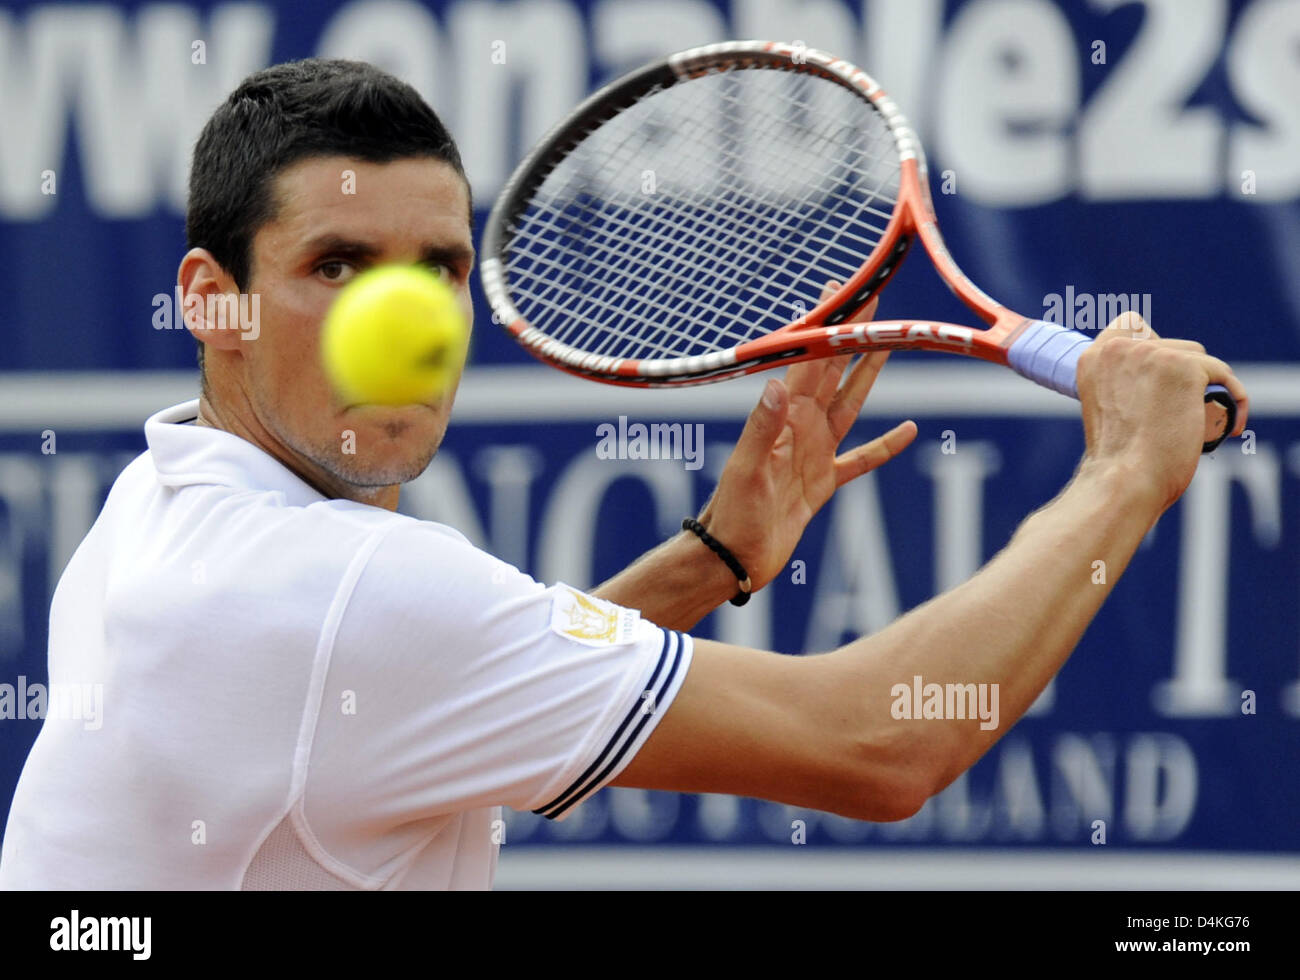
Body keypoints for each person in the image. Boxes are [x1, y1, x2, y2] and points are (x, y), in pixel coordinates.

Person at [0, 59, 1247, 890]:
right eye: (337, 263)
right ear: (210, 301)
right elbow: (875, 748)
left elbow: (412, 698)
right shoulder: (327, 590)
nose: (406, 317)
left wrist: (712, 558)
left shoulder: (162, 501)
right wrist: (1126, 469)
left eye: (434, 266)